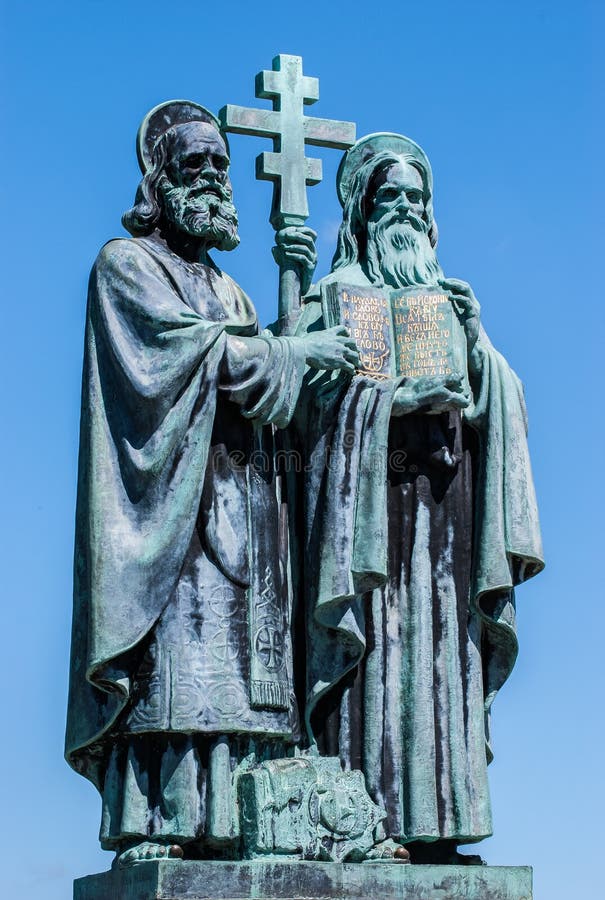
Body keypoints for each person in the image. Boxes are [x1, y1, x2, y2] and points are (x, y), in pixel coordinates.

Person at [65, 100, 358, 867]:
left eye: (221, 166)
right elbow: (199, 359)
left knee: (240, 672)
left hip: (242, 508)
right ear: (157, 182)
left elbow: (268, 386)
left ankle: (236, 818)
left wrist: (297, 324)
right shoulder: (125, 266)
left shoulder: (232, 291)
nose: (214, 180)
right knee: (178, 663)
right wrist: (291, 354)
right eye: (194, 166)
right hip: (170, 508)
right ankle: (160, 823)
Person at [296, 133, 544, 863]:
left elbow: (499, 401)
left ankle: (440, 828)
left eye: (415, 197)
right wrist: (396, 398)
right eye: (389, 197)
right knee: (376, 661)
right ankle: (363, 826)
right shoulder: (333, 297)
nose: (403, 209)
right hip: (371, 517)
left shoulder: (449, 300)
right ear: (362, 209)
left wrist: (475, 342)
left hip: (449, 512)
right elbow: (305, 408)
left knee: (444, 664)